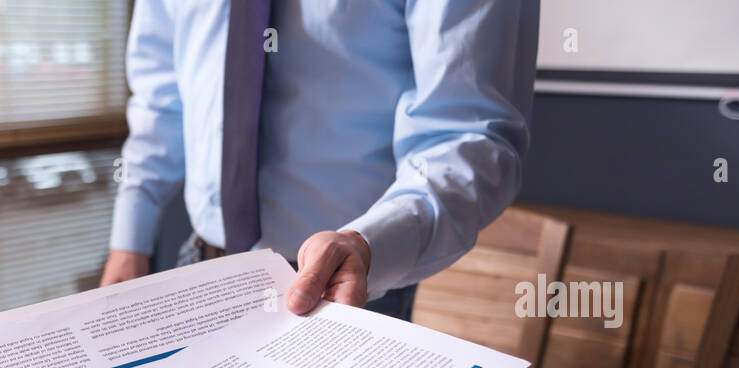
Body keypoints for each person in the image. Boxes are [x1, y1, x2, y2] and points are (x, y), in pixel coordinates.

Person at [101, 0, 540, 320]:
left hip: (342, 291)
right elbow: (161, 100)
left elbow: (468, 132)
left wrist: (367, 244)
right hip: (199, 266)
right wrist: (129, 241)